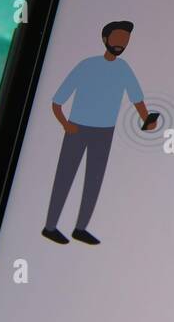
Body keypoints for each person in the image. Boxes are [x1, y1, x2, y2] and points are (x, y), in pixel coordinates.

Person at [42, 20, 156, 245]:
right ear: (105, 39)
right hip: (77, 128)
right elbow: (57, 101)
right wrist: (65, 124)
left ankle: (80, 228)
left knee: (94, 180)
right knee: (64, 177)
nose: (121, 44)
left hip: (105, 132)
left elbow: (136, 97)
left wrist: (146, 119)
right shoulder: (87, 65)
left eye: (125, 41)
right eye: (118, 39)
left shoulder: (123, 69)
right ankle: (50, 226)